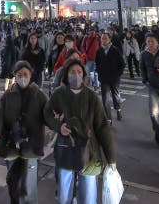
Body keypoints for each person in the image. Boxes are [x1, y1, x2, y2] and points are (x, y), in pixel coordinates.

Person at [44, 59, 116, 204]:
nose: (76, 75)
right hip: (66, 150)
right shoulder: (60, 93)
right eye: (72, 72)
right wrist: (59, 126)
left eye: (79, 72)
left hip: (89, 153)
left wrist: (111, 158)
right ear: (66, 74)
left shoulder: (91, 96)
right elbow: (47, 113)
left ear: (83, 75)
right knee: (64, 197)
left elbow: (102, 126)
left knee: (88, 198)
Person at [0, 61, 48, 204]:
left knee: (29, 187)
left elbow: (49, 114)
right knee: (13, 183)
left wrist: (57, 121)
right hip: (11, 146)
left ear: (30, 75)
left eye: (25, 74)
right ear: (15, 75)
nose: (22, 77)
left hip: (31, 147)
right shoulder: (7, 95)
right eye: (19, 75)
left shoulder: (39, 95)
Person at [96, 32, 125, 123]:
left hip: (114, 78)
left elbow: (122, 64)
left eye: (105, 38)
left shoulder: (115, 50)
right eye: (102, 38)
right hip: (104, 79)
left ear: (109, 39)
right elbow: (97, 63)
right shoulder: (99, 51)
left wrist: (118, 74)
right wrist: (99, 73)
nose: (103, 40)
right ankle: (108, 118)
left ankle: (118, 109)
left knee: (116, 96)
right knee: (105, 99)